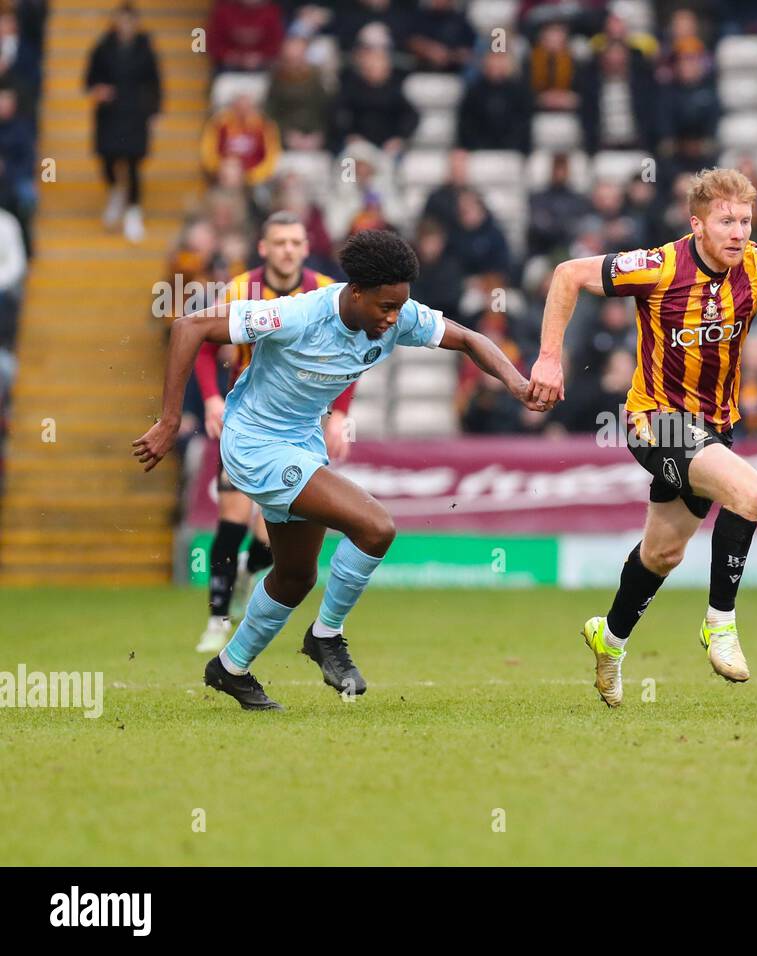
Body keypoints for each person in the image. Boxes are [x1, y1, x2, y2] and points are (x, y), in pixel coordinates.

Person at [134, 230, 545, 710]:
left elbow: (471, 339)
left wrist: (517, 384)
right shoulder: (297, 314)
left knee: (295, 576)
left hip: (302, 445)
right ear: (355, 293)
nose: (393, 320)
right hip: (255, 444)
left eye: (399, 308)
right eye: (384, 308)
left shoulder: (397, 317)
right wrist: (168, 422)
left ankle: (229, 668)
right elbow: (189, 327)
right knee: (375, 527)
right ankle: (326, 636)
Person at [526, 167, 757, 708]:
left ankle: (610, 639)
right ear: (698, 224)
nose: (738, 232)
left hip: (714, 427)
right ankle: (720, 623)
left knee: (663, 553)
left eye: (745, 220)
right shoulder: (661, 265)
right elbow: (567, 274)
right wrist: (550, 358)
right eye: (726, 221)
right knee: (751, 493)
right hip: (655, 421)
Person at [193, 211, 347, 653]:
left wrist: (339, 413)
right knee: (231, 521)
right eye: (279, 242)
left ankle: (247, 571)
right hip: (248, 425)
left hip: (300, 427)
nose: (287, 250)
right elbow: (204, 344)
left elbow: (347, 355)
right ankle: (218, 620)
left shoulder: (323, 291)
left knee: (276, 542)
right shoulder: (242, 289)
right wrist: (210, 398)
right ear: (264, 247)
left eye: (295, 242)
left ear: (305, 247)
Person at [84, 2, 160, 244]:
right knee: (107, 159)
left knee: (134, 164)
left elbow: (156, 82)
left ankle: (133, 212)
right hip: (110, 114)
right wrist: (98, 90)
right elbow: (89, 80)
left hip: (136, 114)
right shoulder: (102, 47)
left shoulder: (145, 48)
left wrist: (155, 111)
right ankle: (116, 191)